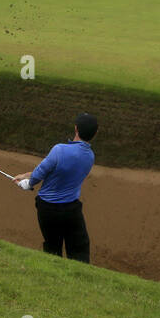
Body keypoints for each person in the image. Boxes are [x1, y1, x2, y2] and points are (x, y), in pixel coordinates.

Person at [12, 113, 97, 263]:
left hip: (48, 210)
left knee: (52, 248)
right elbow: (57, 170)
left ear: (76, 129)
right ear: (95, 134)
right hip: (71, 210)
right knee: (79, 249)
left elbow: (43, 171)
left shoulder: (59, 150)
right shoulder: (90, 156)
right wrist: (27, 175)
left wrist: (28, 183)